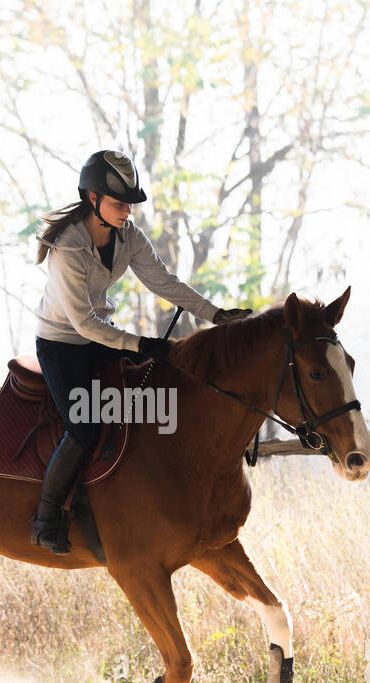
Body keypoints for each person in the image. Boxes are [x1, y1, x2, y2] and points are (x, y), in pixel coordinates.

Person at [30, 149, 251, 554]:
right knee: (85, 425)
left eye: (130, 204)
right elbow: (83, 325)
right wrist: (144, 344)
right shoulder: (68, 247)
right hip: (63, 344)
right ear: (92, 199)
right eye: (119, 203)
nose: (127, 211)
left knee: (150, 400)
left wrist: (217, 315)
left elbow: (165, 283)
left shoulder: (128, 236)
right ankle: (46, 519)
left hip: (101, 335)